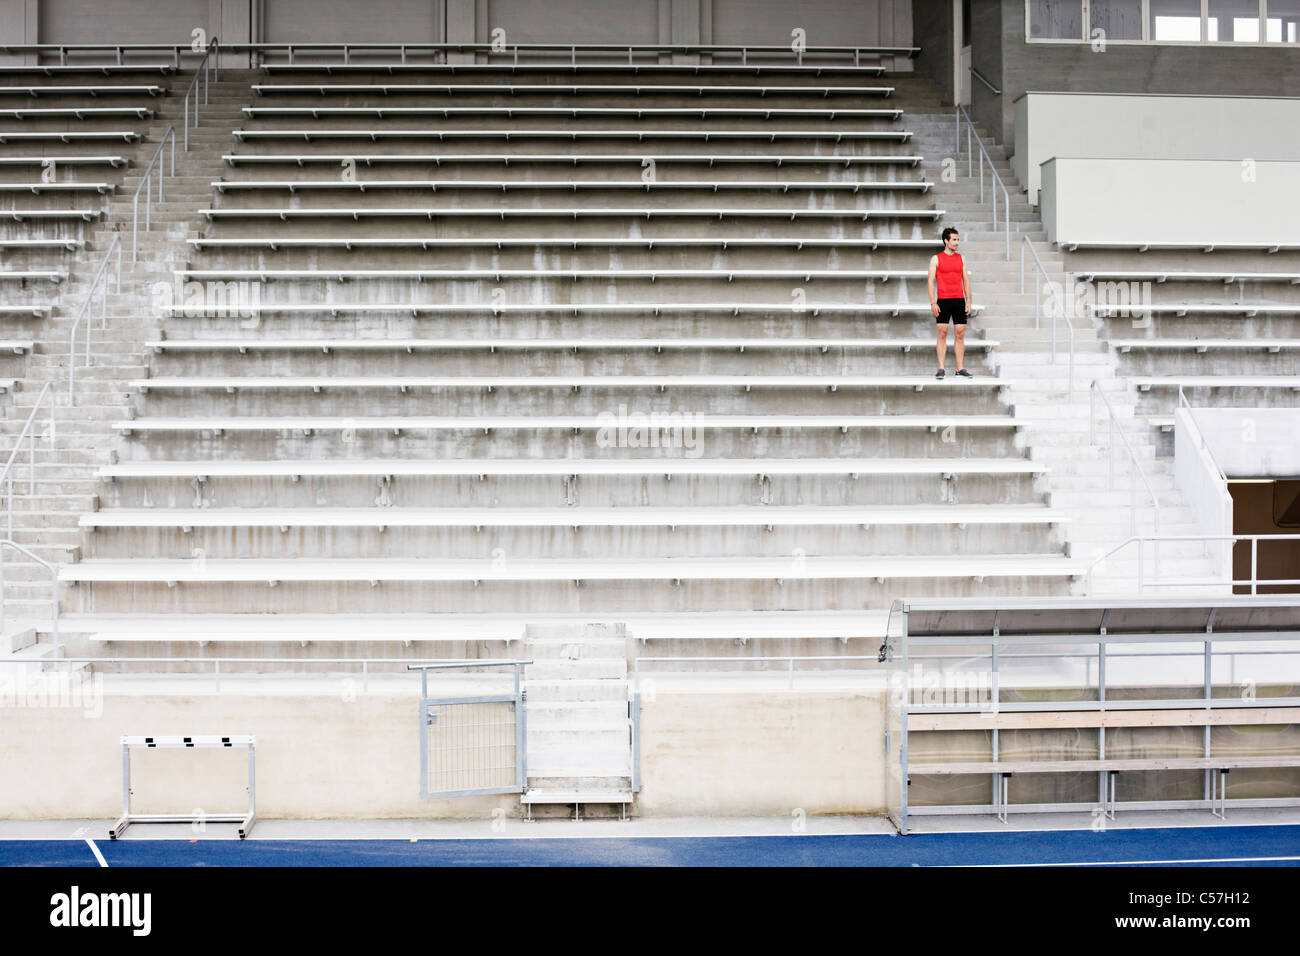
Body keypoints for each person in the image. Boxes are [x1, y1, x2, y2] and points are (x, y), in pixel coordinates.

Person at [927, 226, 973, 380]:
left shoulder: (962, 258)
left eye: (958, 239)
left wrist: (968, 301)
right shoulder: (936, 258)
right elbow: (930, 281)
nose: (957, 242)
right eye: (954, 239)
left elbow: (966, 280)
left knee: (960, 334)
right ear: (946, 241)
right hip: (943, 301)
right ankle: (941, 368)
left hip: (959, 300)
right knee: (942, 333)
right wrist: (933, 302)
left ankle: (959, 369)